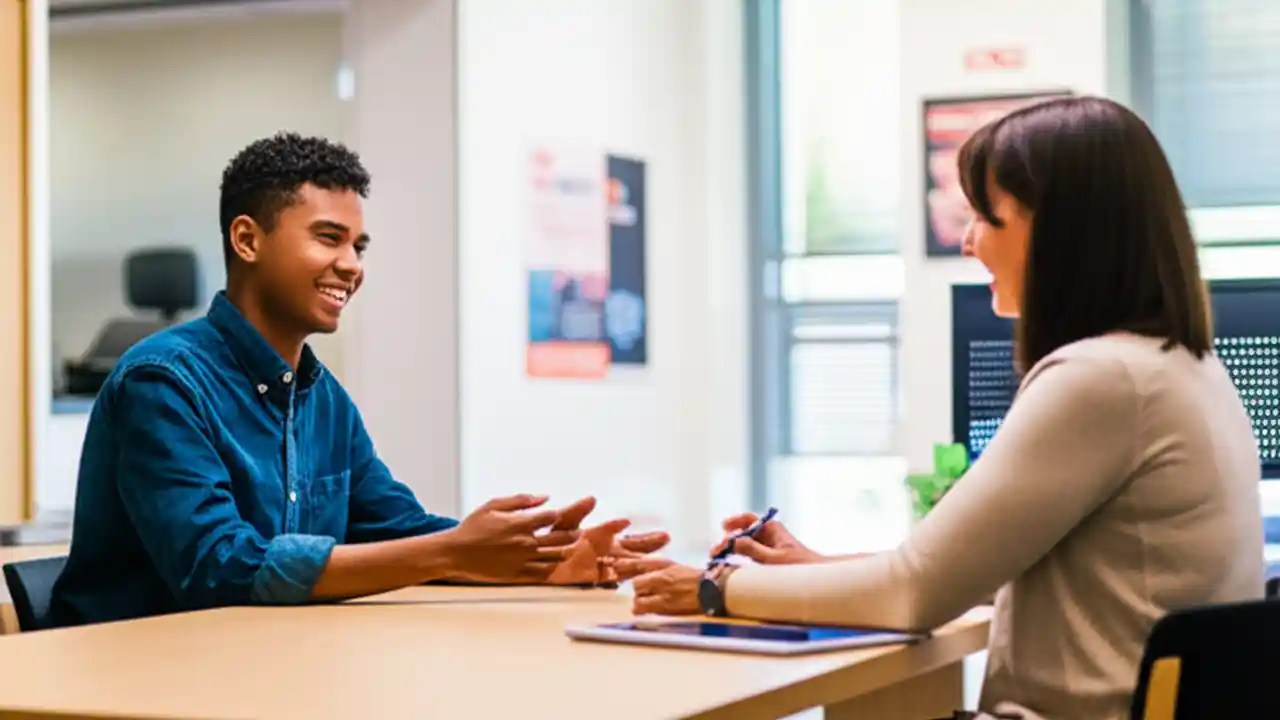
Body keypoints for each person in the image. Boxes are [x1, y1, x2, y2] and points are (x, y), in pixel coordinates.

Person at [632, 97, 1264, 720]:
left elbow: (915, 594)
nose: (966, 243)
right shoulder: (1181, 368)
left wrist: (716, 587)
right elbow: (978, 572)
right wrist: (815, 570)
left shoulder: (1101, 378)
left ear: (1061, 234)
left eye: (988, 219)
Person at [51, 132, 668, 627]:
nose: (350, 266)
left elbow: (397, 530)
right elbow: (220, 569)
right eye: (328, 239)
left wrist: (540, 564)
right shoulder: (162, 384)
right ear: (247, 239)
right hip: (139, 685)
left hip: (265, 670)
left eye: (359, 245)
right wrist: (454, 551)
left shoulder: (323, 398)